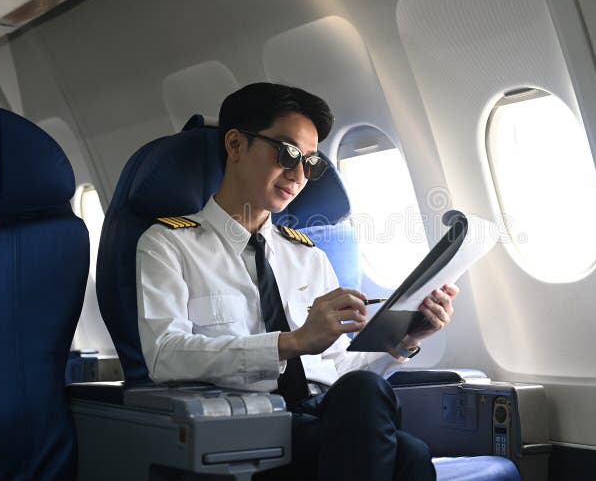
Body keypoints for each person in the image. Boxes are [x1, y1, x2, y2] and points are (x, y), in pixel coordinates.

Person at [135, 82, 458, 480]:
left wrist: (407, 336)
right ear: (235, 145)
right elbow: (165, 354)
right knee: (404, 449)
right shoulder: (168, 245)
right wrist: (293, 342)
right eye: (287, 153)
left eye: (310, 163)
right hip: (244, 427)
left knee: (400, 438)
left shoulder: (309, 256)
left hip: (324, 416)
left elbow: (338, 365)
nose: (298, 174)